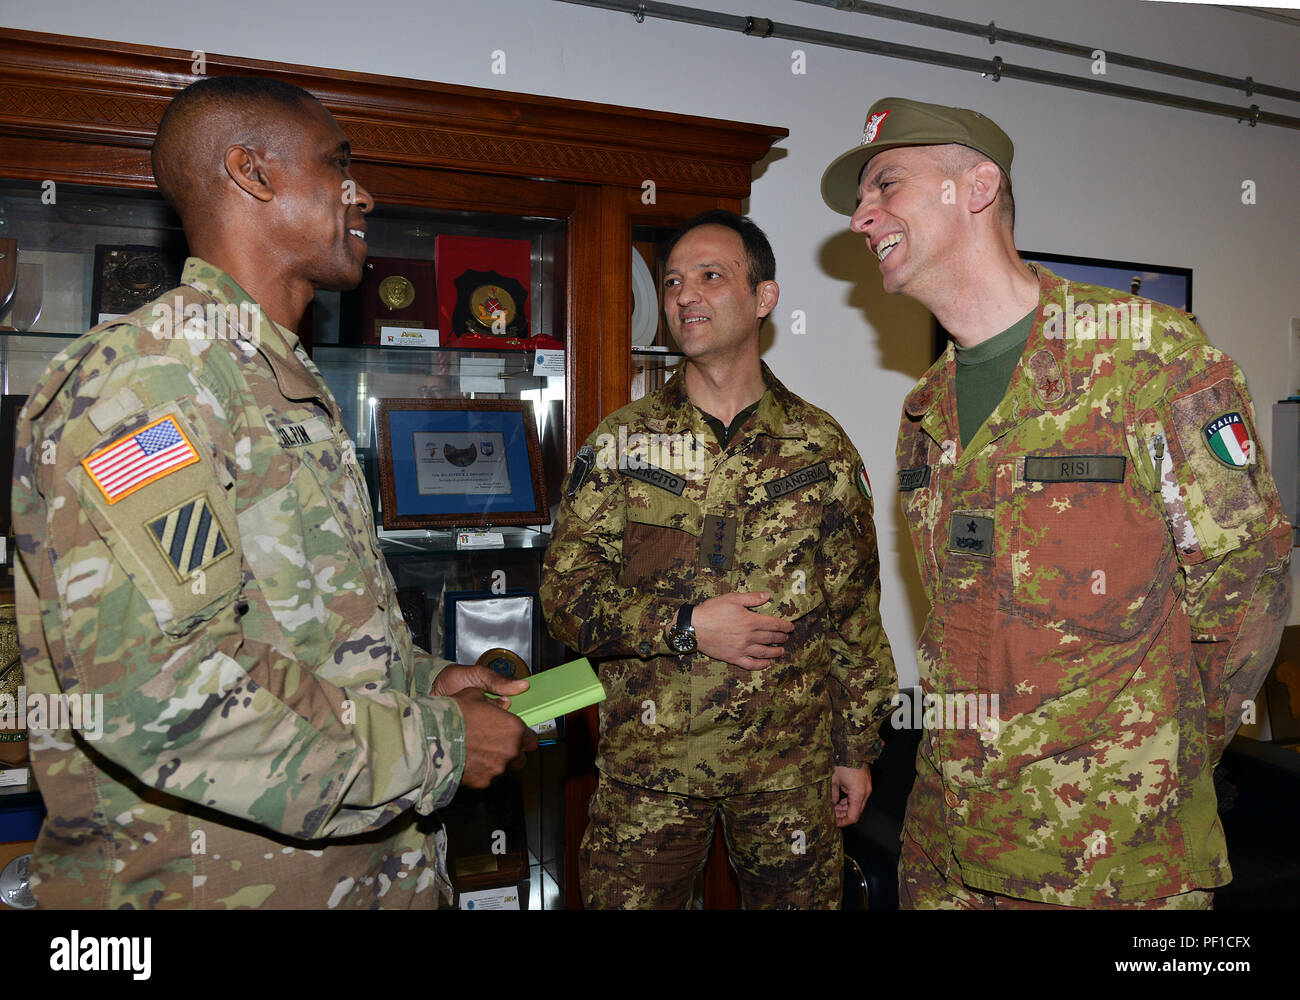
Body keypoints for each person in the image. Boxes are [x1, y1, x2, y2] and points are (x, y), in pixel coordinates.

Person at [11, 75, 537, 909]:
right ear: (252, 174)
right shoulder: (151, 381)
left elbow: (298, 631)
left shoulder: (272, 376)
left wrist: (420, 683)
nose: (364, 194)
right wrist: (437, 746)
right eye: (339, 166)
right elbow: (161, 693)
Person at [821, 97, 1292, 909]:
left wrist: (1157, 758)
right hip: (949, 846)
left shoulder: (1150, 358)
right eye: (862, 199)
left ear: (976, 186)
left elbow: (1248, 591)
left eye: (885, 185)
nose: (863, 217)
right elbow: (959, 619)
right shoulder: (924, 414)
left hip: (1110, 862)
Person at [541, 210, 897, 909]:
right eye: (673, 281)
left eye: (710, 276)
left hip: (787, 769)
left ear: (763, 299)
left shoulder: (818, 446)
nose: (683, 296)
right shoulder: (624, 442)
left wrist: (856, 746)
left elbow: (854, 607)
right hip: (652, 769)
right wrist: (686, 625)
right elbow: (564, 598)